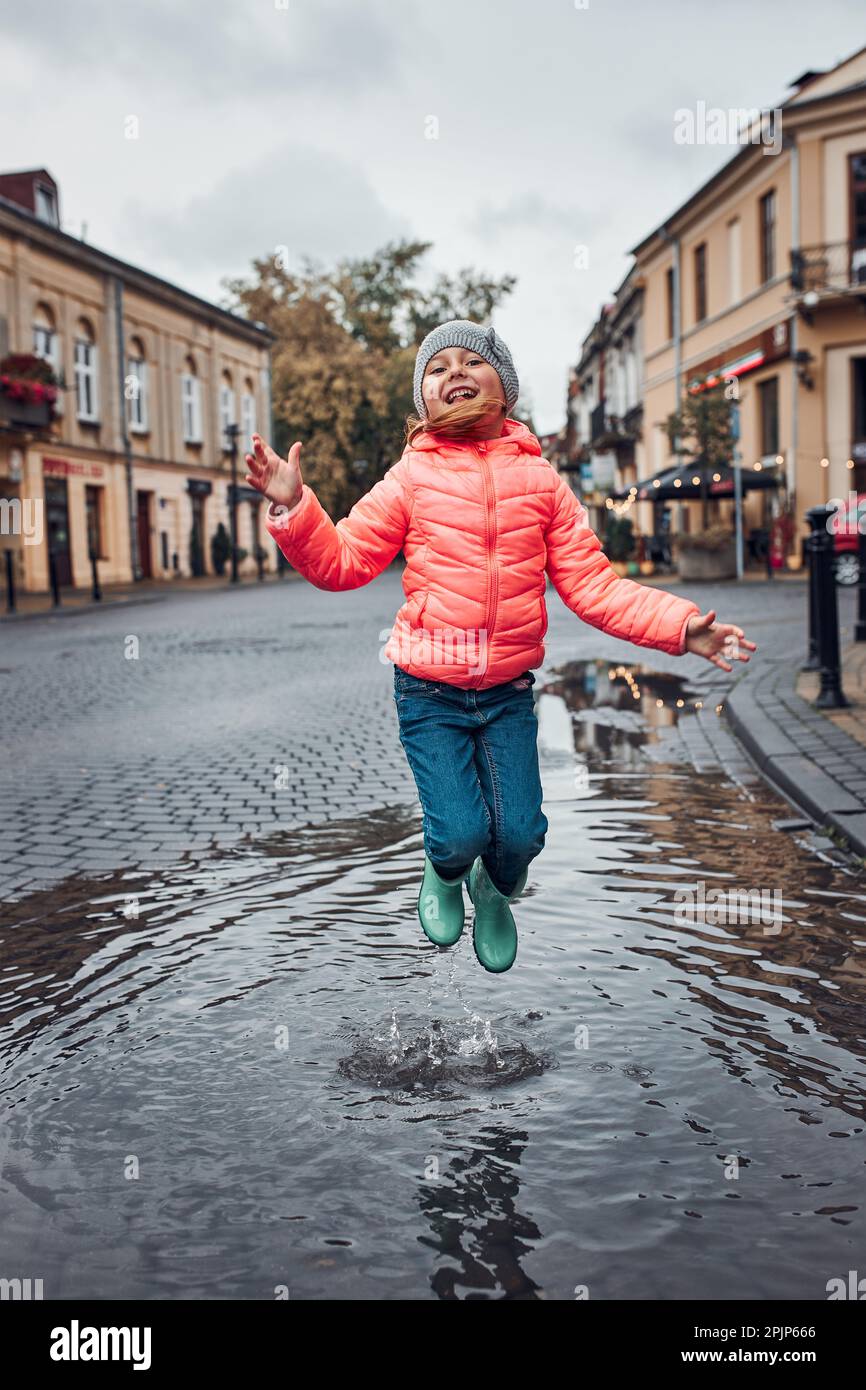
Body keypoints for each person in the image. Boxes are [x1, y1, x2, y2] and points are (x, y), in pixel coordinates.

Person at [244, 320, 756, 974]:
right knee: (459, 832)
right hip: (429, 692)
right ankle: (446, 867)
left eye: (472, 362)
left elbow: (595, 585)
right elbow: (342, 561)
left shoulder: (541, 483)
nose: (454, 372)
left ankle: (492, 889)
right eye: (438, 367)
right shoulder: (410, 478)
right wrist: (295, 508)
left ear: (505, 390)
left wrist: (683, 627)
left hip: (508, 695)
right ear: (423, 397)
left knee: (520, 837)